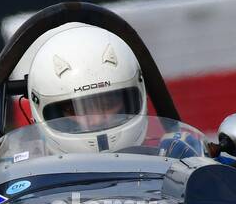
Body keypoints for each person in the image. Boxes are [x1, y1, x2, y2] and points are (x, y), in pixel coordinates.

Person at [24, 23, 149, 154]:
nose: (97, 121)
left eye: (108, 103)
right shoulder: (25, 171)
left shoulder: (168, 157)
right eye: (74, 110)